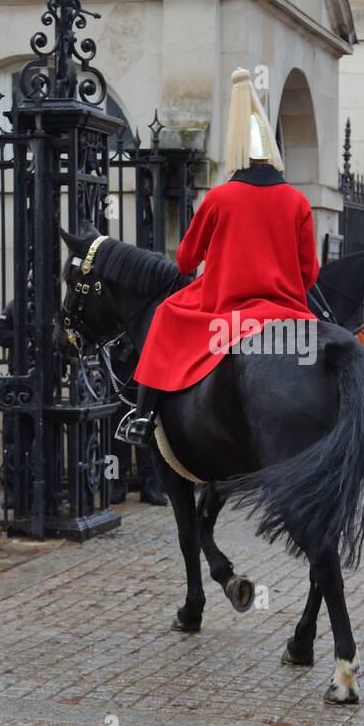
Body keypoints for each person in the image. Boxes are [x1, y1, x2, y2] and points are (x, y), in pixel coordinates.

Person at [119, 68, 318, 445]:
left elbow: (183, 263)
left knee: (164, 315)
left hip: (224, 309)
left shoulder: (219, 198)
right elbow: (309, 274)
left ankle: (143, 418)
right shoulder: (297, 200)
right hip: (287, 308)